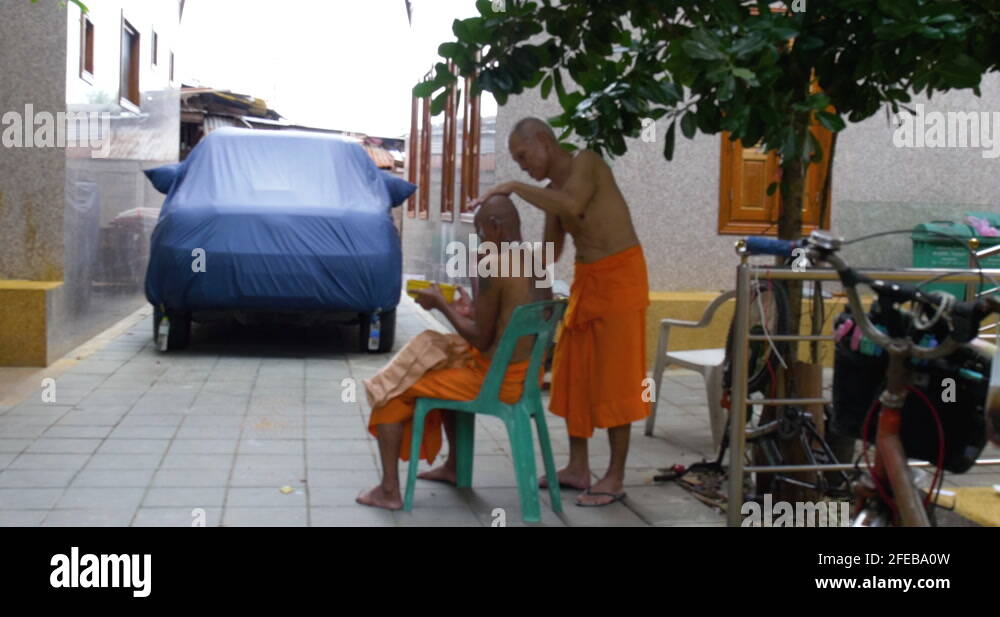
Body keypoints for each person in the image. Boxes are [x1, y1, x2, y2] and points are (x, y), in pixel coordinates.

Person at [469, 117, 650, 507]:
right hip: (588, 282)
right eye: (515, 163)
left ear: (545, 142)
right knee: (572, 375)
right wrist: (497, 259)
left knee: (616, 379)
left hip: (620, 279)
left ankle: (614, 477)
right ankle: (577, 467)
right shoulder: (550, 194)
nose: (521, 166)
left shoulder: (587, 162)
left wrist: (514, 188)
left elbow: (573, 203)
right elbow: (549, 255)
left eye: (522, 156)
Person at [357, 196, 551, 511]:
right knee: (441, 367)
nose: (481, 241)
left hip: (495, 382)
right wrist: (470, 310)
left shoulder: (494, 265)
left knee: (391, 392)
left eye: (481, 233)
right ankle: (454, 466)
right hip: (527, 374)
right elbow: (508, 320)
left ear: (496, 227)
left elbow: (479, 335)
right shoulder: (534, 260)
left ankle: (389, 490)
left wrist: (442, 306)